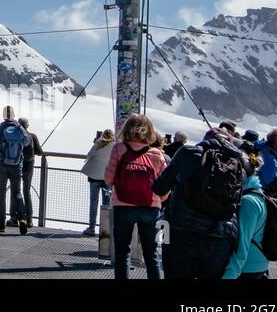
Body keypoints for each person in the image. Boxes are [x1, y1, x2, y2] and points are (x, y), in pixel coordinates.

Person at [151, 131, 244, 279]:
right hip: (220, 235)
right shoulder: (238, 164)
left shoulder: (188, 152)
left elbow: (159, 187)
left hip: (180, 230)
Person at [104, 113, 168, 279]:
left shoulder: (119, 149)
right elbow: (165, 185)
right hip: (150, 208)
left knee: (122, 251)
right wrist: (158, 201)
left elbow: (108, 178)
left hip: (122, 206)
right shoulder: (156, 154)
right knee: (151, 253)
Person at [223, 149, 271, 279]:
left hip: (247, 268)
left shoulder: (248, 201)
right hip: (257, 264)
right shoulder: (257, 193)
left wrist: (229, 275)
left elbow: (242, 244)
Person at [0, 106, 32, 234]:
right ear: (13, 115)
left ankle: (1, 225)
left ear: (3, 115)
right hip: (17, 165)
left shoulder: (1, 128)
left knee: (1, 194)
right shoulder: (20, 128)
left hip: (2, 165)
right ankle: (22, 219)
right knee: (17, 192)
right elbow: (27, 143)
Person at [80, 129, 115, 236]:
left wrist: (96, 142)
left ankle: (91, 228)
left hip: (94, 177)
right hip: (107, 178)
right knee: (106, 204)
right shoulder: (115, 146)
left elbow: (88, 156)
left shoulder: (98, 144)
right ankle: (105, 229)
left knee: (93, 203)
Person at [15, 116, 43, 227]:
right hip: (29, 166)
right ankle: (29, 219)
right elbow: (40, 152)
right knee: (26, 191)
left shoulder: (16, 136)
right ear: (27, 126)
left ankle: (14, 217)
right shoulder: (32, 136)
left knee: (16, 191)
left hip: (17, 165)